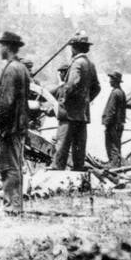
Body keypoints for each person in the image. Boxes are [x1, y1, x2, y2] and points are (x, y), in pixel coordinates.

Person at [0, 32, 31, 214]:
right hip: (20, 124)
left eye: (1, 46)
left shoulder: (10, 70)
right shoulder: (22, 68)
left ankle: (11, 206)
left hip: (10, 127)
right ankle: (16, 205)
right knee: (16, 165)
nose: (0, 49)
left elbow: (5, 103)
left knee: (8, 166)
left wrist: (1, 127)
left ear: (7, 47)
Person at [51, 33, 100, 171]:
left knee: (62, 144)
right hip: (82, 113)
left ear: (74, 48)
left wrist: (62, 101)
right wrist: (85, 100)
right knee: (79, 146)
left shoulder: (77, 63)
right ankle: (78, 172)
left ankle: (56, 171)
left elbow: (71, 85)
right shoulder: (90, 64)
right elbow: (97, 87)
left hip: (69, 112)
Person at [102, 71, 127, 167]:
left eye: (111, 79)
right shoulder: (121, 92)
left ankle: (113, 163)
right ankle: (115, 162)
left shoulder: (115, 93)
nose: (109, 81)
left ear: (116, 81)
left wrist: (107, 122)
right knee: (116, 144)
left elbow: (111, 110)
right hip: (118, 124)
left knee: (111, 144)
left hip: (113, 124)